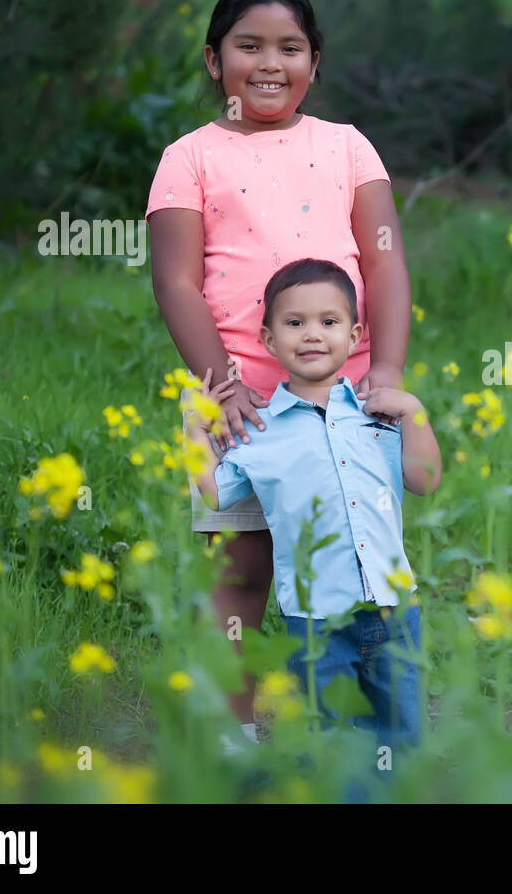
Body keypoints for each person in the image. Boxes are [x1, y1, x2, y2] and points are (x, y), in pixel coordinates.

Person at [146, 0, 412, 753]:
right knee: (242, 568)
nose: (270, 62)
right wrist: (220, 384)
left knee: (350, 568)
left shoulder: (346, 144)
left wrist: (387, 373)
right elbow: (176, 279)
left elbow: (386, 261)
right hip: (240, 400)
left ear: (315, 61)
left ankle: (343, 723)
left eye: (290, 47)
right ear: (212, 60)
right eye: (248, 45)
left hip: (345, 399)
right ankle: (233, 734)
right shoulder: (188, 156)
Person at [184, 258, 441, 762]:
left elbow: (424, 481)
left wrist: (413, 412)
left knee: (403, 734)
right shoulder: (260, 431)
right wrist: (195, 428)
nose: (312, 335)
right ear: (268, 339)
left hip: (392, 607)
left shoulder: (380, 414)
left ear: (355, 335)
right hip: (315, 617)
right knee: (329, 738)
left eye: (329, 322)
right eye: (294, 323)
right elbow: (216, 493)